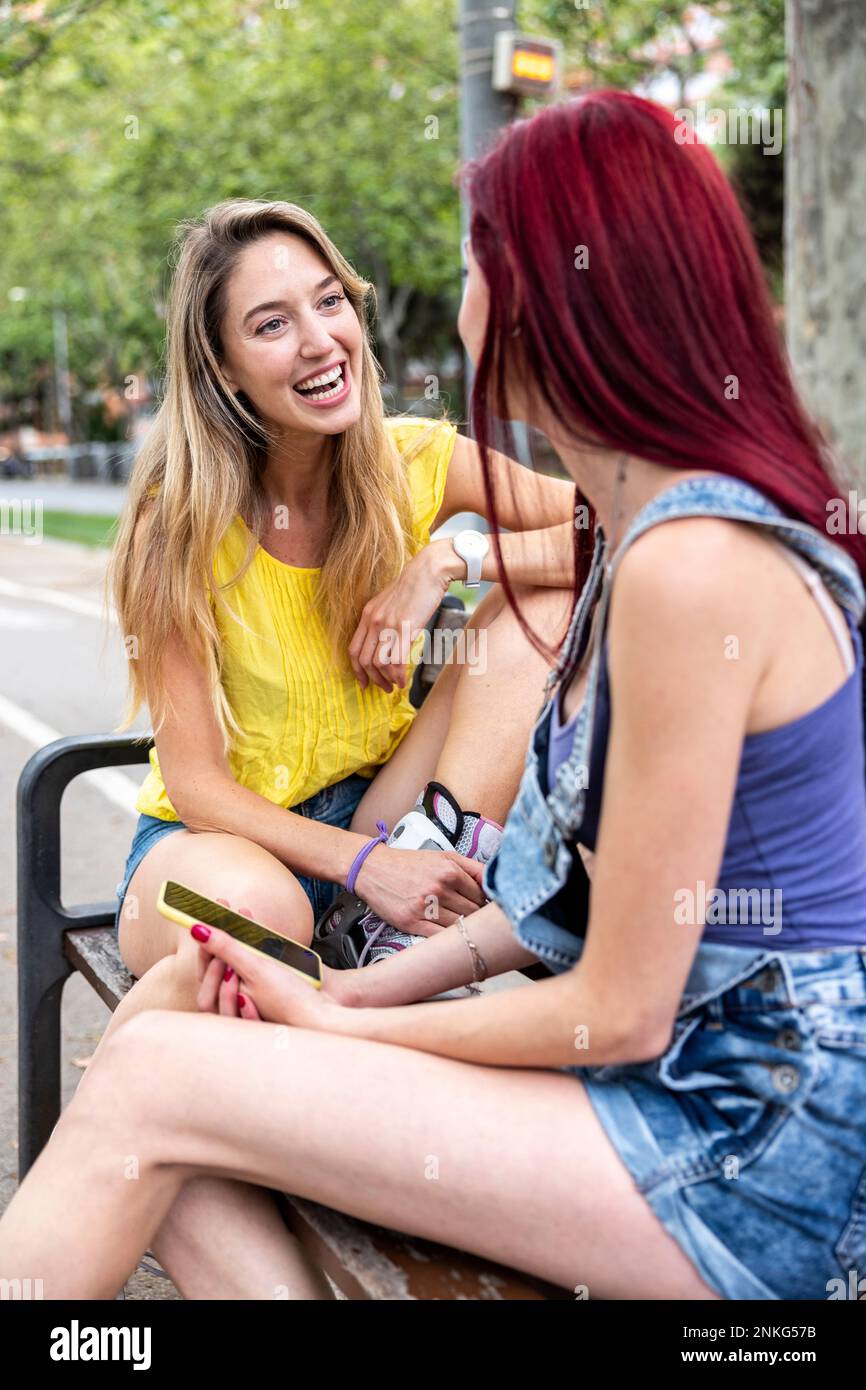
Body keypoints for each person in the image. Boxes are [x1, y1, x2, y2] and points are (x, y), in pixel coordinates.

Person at [3, 90, 865, 1301]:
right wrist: (347, 987)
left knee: (150, 1075)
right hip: (672, 1086)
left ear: (552, 294)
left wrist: (350, 1028)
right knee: (175, 1039)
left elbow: (612, 1009)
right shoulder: (651, 537)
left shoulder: (684, 566)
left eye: (474, 259)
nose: (337, 330)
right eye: (273, 321)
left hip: (747, 1151)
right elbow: (556, 911)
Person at [100, 196, 576, 1056]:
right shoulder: (177, 524)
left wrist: (449, 563)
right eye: (272, 324)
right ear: (223, 366)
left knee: (542, 597)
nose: (321, 340)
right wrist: (365, 868)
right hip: (205, 854)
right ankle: (144, 1084)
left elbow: (628, 522)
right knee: (262, 923)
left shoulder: (416, 460)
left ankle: (401, 937)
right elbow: (199, 785)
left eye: (329, 302)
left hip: (388, 815)